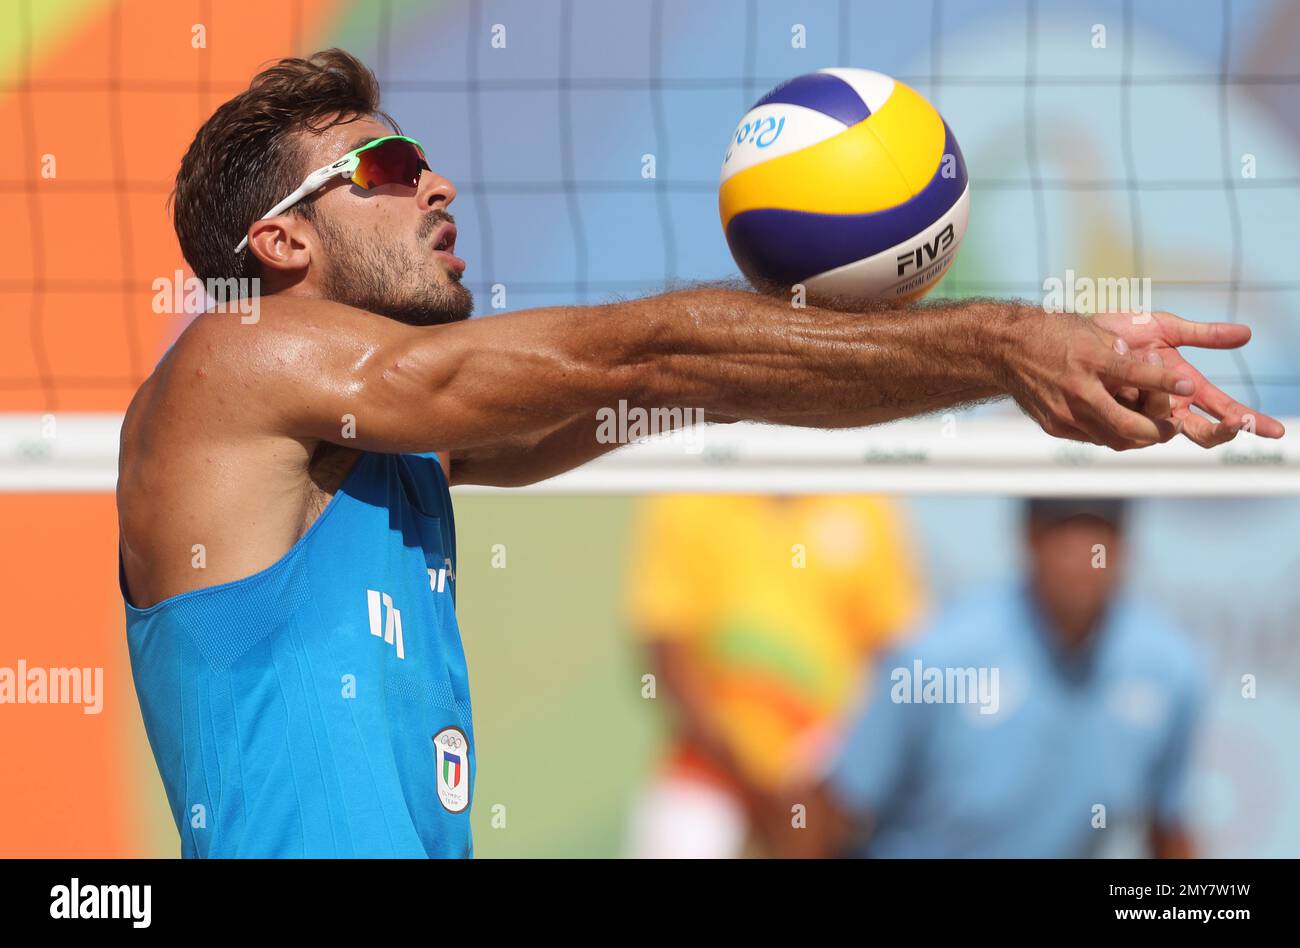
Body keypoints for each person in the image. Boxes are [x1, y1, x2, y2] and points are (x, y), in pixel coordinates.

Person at [117, 48, 1274, 858]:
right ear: (277, 242)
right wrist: (1012, 338)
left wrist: (1017, 360)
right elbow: (645, 359)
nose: (437, 184)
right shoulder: (233, 356)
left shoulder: (405, 451)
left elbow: (706, 384)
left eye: (420, 161)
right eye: (383, 168)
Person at [813, 499, 1205, 858]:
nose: (1087, 557)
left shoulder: (1168, 668)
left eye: (1102, 534)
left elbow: (1169, 826)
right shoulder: (939, 657)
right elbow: (833, 807)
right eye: (1066, 533)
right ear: (1030, 537)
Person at [623, 495, 923, 858]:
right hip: (709, 762)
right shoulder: (689, 499)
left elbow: (893, 654)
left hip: (828, 756)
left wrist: (845, 772)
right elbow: (666, 648)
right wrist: (752, 778)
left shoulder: (863, 504)